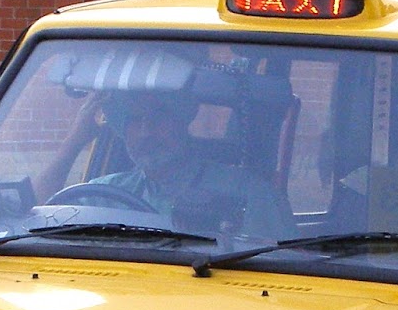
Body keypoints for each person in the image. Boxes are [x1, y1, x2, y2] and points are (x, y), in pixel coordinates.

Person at [38, 90, 291, 238]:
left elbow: (279, 269)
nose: (146, 132)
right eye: (135, 120)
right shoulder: (104, 192)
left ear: (182, 121)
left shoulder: (248, 192)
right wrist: (75, 141)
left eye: (159, 116)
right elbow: (38, 218)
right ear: (122, 130)